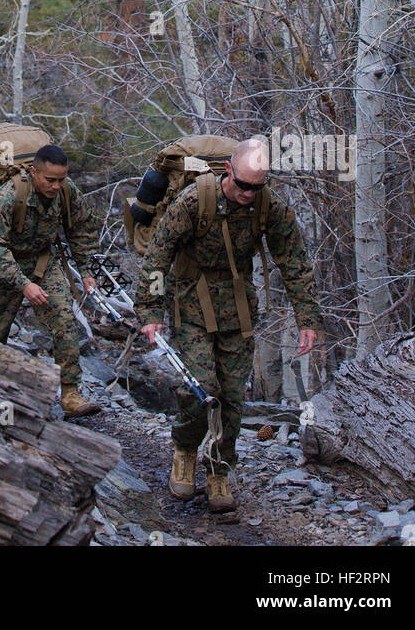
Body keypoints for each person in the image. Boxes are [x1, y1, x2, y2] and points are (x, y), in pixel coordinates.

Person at [134, 135, 320, 513]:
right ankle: (185, 450)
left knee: (233, 396)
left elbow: (295, 262)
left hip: (237, 307)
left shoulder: (270, 207)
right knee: (202, 387)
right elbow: (157, 256)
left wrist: (307, 319)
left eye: (258, 187)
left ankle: (219, 468)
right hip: (190, 301)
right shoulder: (193, 201)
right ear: (228, 171)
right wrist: (150, 312)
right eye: (243, 185)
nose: (249, 194)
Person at [0, 144, 102, 419]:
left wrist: (86, 270)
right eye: (50, 180)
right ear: (34, 172)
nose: (57, 186)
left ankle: (70, 394)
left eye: (62, 179)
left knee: (64, 318)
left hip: (42, 261)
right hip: (3, 265)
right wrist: (23, 284)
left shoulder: (67, 192)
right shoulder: (7, 196)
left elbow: (81, 229)